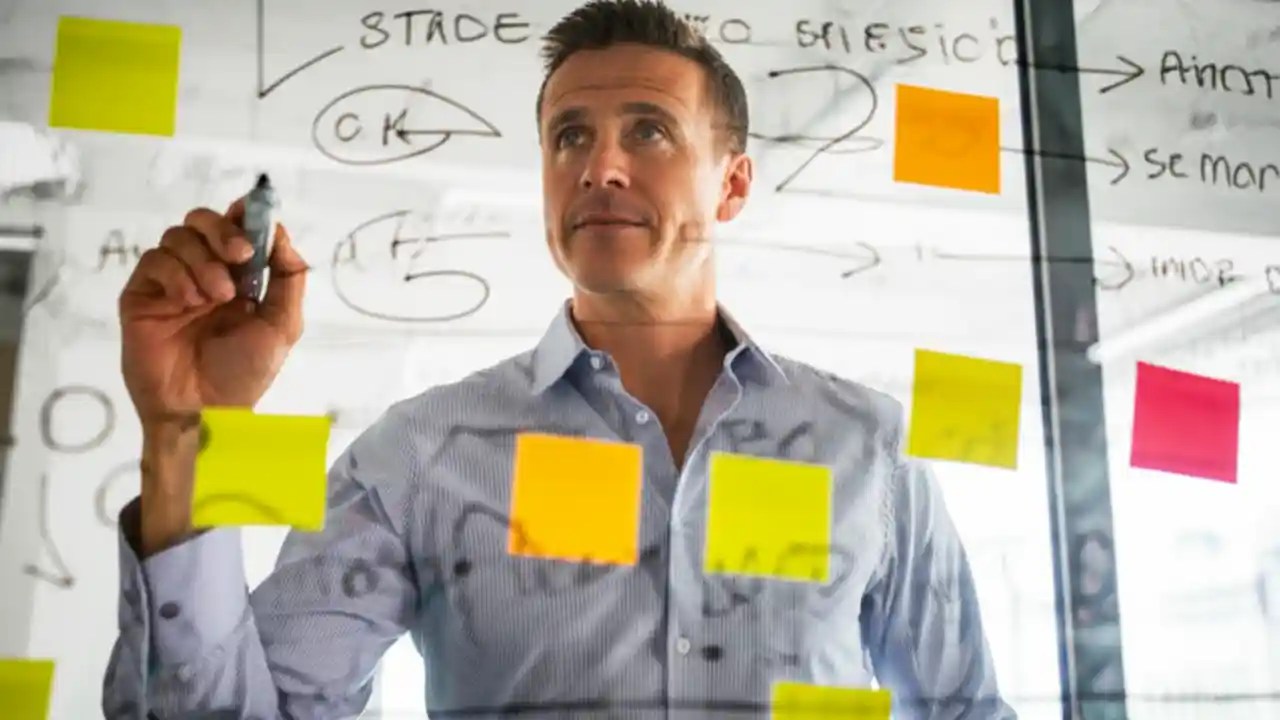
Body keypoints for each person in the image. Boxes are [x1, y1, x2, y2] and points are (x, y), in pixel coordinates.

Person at [103, 1, 1016, 717]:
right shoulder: (425, 454)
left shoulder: (865, 448)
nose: (598, 167)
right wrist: (183, 435)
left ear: (732, 184)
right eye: (569, 135)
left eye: (649, 131)